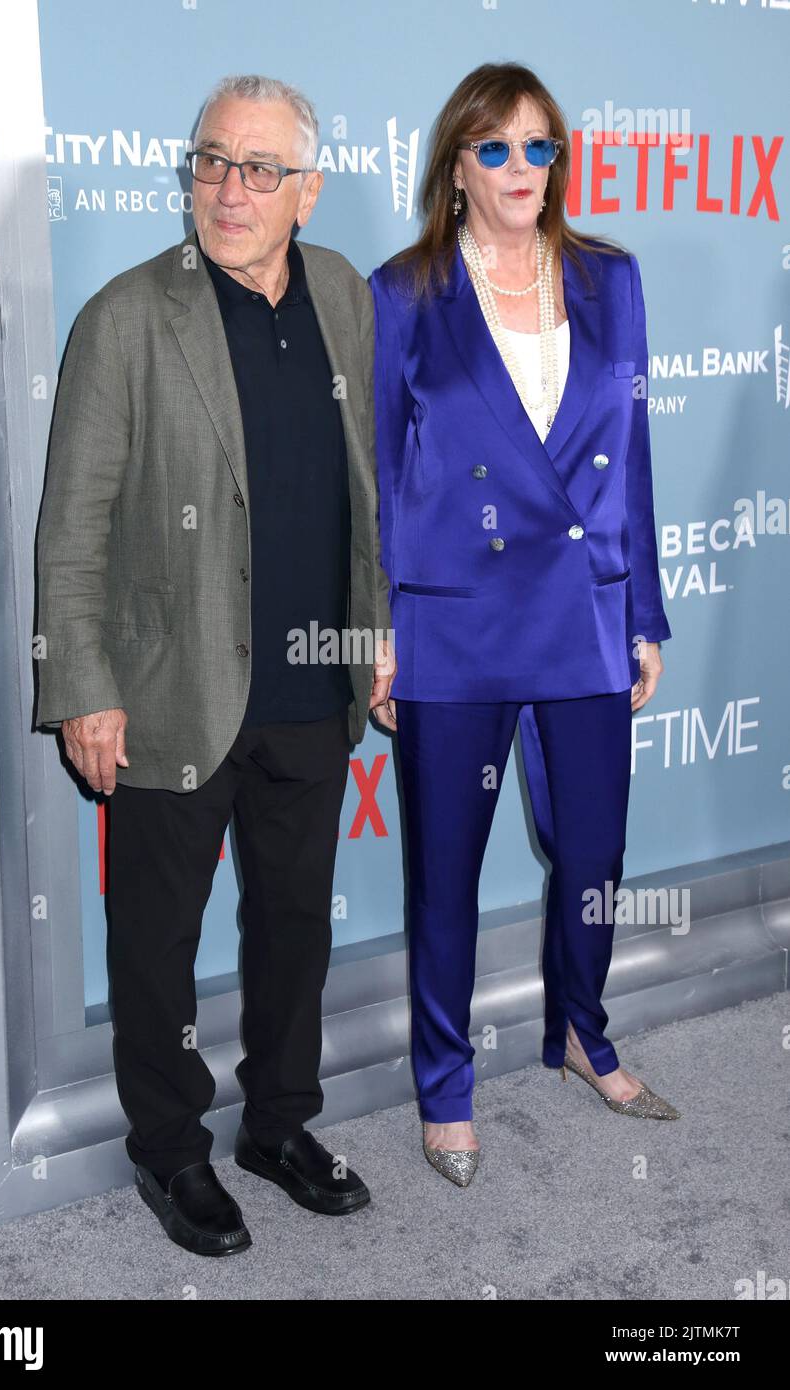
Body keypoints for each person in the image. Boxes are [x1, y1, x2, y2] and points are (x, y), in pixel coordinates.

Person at [35, 74, 395, 1254]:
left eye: (256, 169)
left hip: (310, 686)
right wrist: (83, 683)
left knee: (293, 924)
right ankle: (170, 1151)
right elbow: (72, 523)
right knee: (158, 942)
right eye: (210, 161)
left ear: (308, 189)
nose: (228, 190)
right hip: (169, 692)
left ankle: (278, 1124)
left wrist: (378, 628)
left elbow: (370, 487)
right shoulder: (127, 315)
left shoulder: (344, 292)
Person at [369, 62, 678, 1189]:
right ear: (454, 166)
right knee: (444, 870)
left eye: (538, 147)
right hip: (453, 626)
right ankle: (444, 1085)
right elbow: (377, 477)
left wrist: (641, 605)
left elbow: (631, 456)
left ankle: (580, 1033)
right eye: (493, 148)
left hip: (586, 614)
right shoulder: (403, 293)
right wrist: (377, 632)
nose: (519, 169)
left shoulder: (611, 281)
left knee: (593, 852)